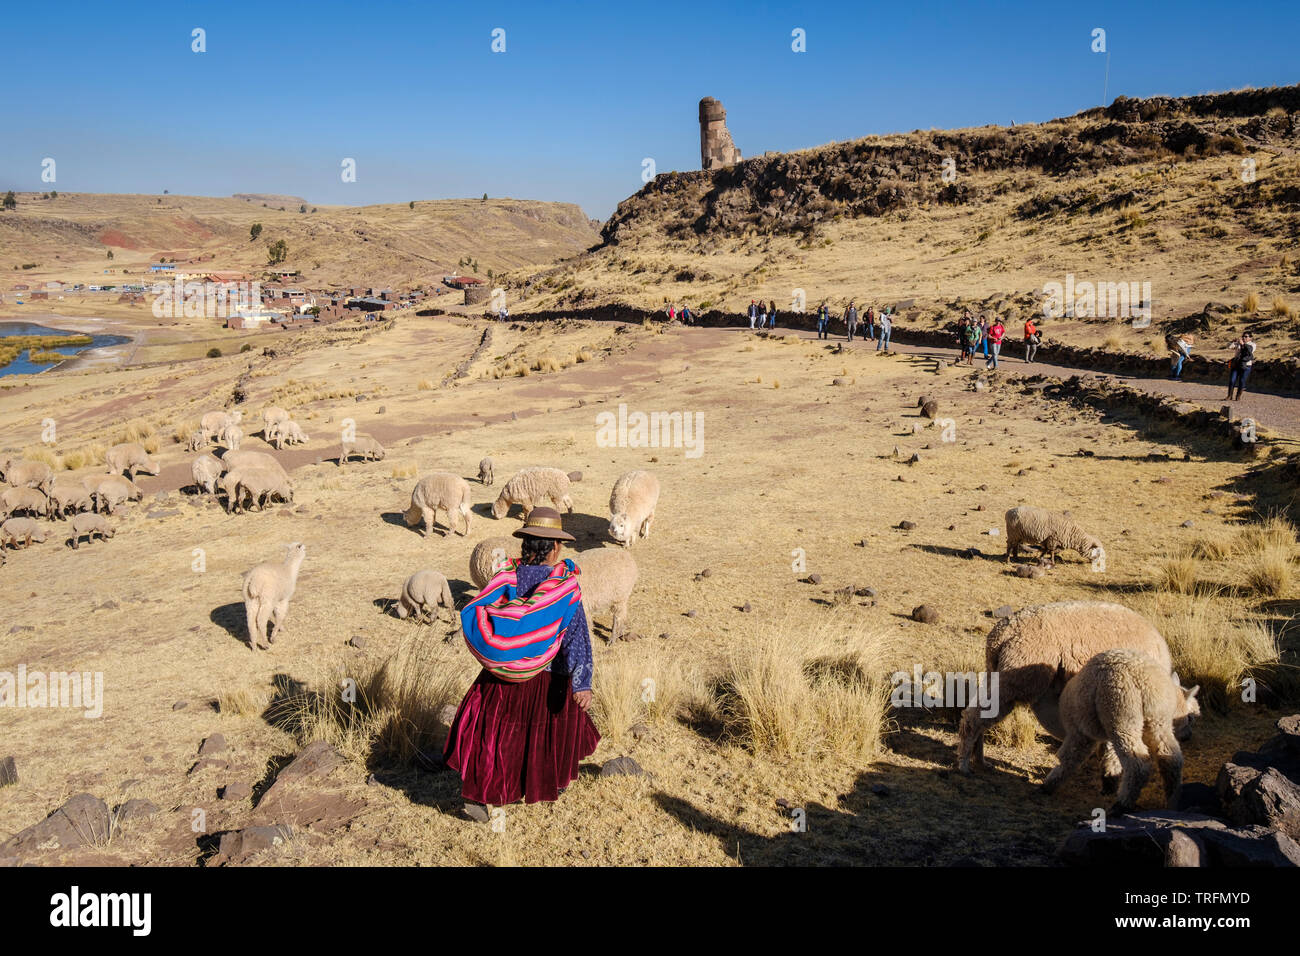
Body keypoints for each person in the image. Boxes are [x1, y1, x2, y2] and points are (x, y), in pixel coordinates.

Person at [444, 507, 598, 814]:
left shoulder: (505, 577)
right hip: (548, 675)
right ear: (554, 547)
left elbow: (485, 617)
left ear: (526, 544)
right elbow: (575, 638)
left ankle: (481, 795)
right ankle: (544, 782)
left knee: (495, 736)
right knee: (542, 735)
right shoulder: (564, 587)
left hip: (499, 677)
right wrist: (582, 682)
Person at [1227, 333, 1255, 400]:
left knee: (1242, 381)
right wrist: (1233, 341)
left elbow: (1249, 351)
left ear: (1250, 338)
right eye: (1243, 336)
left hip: (1246, 365)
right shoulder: (1238, 343)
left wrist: (1243, 344)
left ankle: (1238, 396)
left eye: (1246, 336)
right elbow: (1229, 347)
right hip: (1236, 364)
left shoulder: (1252, 344)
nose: (1244, 338)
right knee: (1232, 380)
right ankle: (1229, 396)